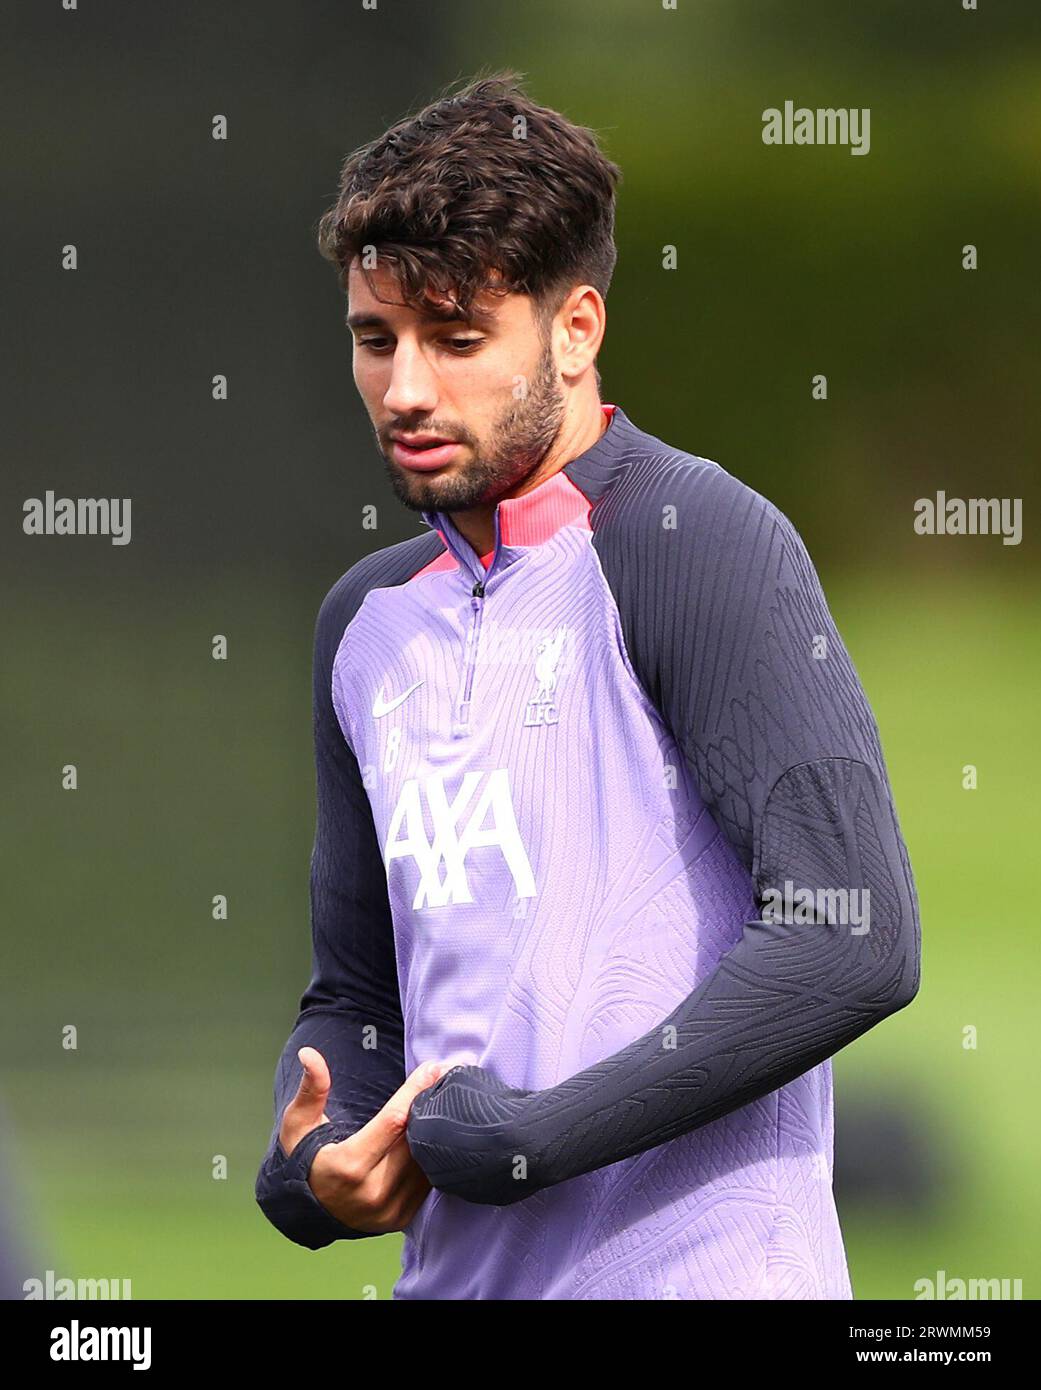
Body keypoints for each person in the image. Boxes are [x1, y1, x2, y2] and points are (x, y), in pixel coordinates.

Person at [255, 71, 920, 1300]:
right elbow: (357, 1000)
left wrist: (532, 1140)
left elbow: (855, 937)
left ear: (575, 329)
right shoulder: (364, 625)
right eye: (373, 338)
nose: (405, 389)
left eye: (457, 340)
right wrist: (312, 1160)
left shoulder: (696, 539)